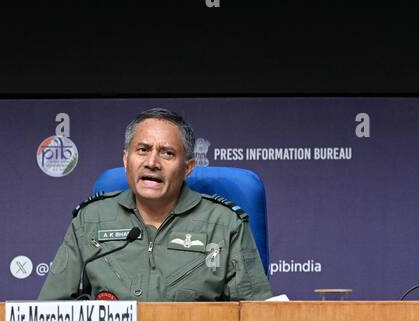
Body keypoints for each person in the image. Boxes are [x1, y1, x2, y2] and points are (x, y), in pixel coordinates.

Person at [38, 107, 273, 301]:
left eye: (167, 153)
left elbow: (256, 319)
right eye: (142, 150)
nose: (152, 162)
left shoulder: (225, 224)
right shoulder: (90, 220)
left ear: (188, 167)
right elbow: (50, 312)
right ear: (126, 160)